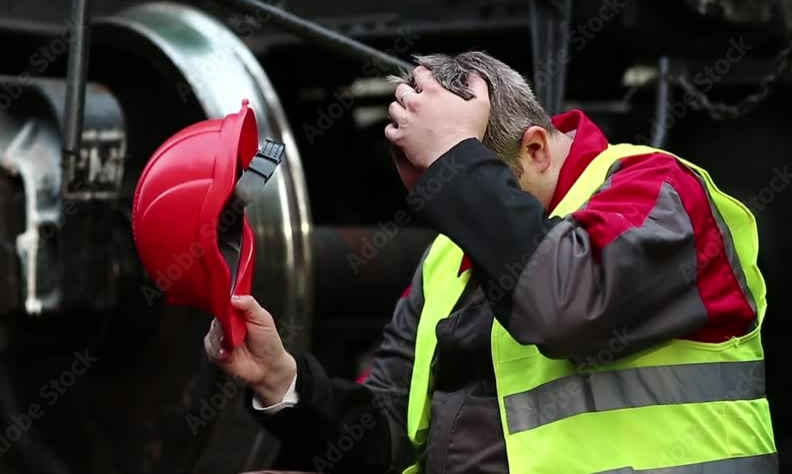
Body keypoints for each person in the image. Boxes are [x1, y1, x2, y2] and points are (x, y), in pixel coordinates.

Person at [204, 52, 776, 474]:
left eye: (465, 178)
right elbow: (386, 435)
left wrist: (455, 158)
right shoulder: (449, 256)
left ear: (534, 148)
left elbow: (564, 304)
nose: (456, 212)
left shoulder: (657, 189)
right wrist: (285, 382)